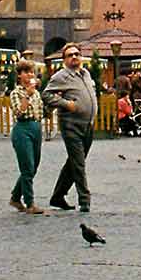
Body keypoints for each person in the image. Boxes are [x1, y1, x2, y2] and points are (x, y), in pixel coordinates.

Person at [43, 44, 98, 214]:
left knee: (74, 162)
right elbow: (46, 95)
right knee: (79, 164)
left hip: (87, 125)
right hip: (71, 125)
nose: (74, 57)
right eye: (70, 55)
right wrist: (66, 104)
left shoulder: (86, 74)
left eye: (77, 54)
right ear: (64, 60)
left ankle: (58, 196)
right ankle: (85, 200)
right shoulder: (61, 77)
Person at [7, 59, 44, 211]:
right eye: (27, 72)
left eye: (32, 72)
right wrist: (27, 95)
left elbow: (41, 111)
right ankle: (30, 203)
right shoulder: (16, 93)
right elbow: (19, 112)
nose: (30, 75)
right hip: (22, 129)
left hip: (36, 127)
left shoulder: (36, 93)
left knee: (33, 166)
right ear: (19, 76)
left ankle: (15, 198)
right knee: (27, 166)